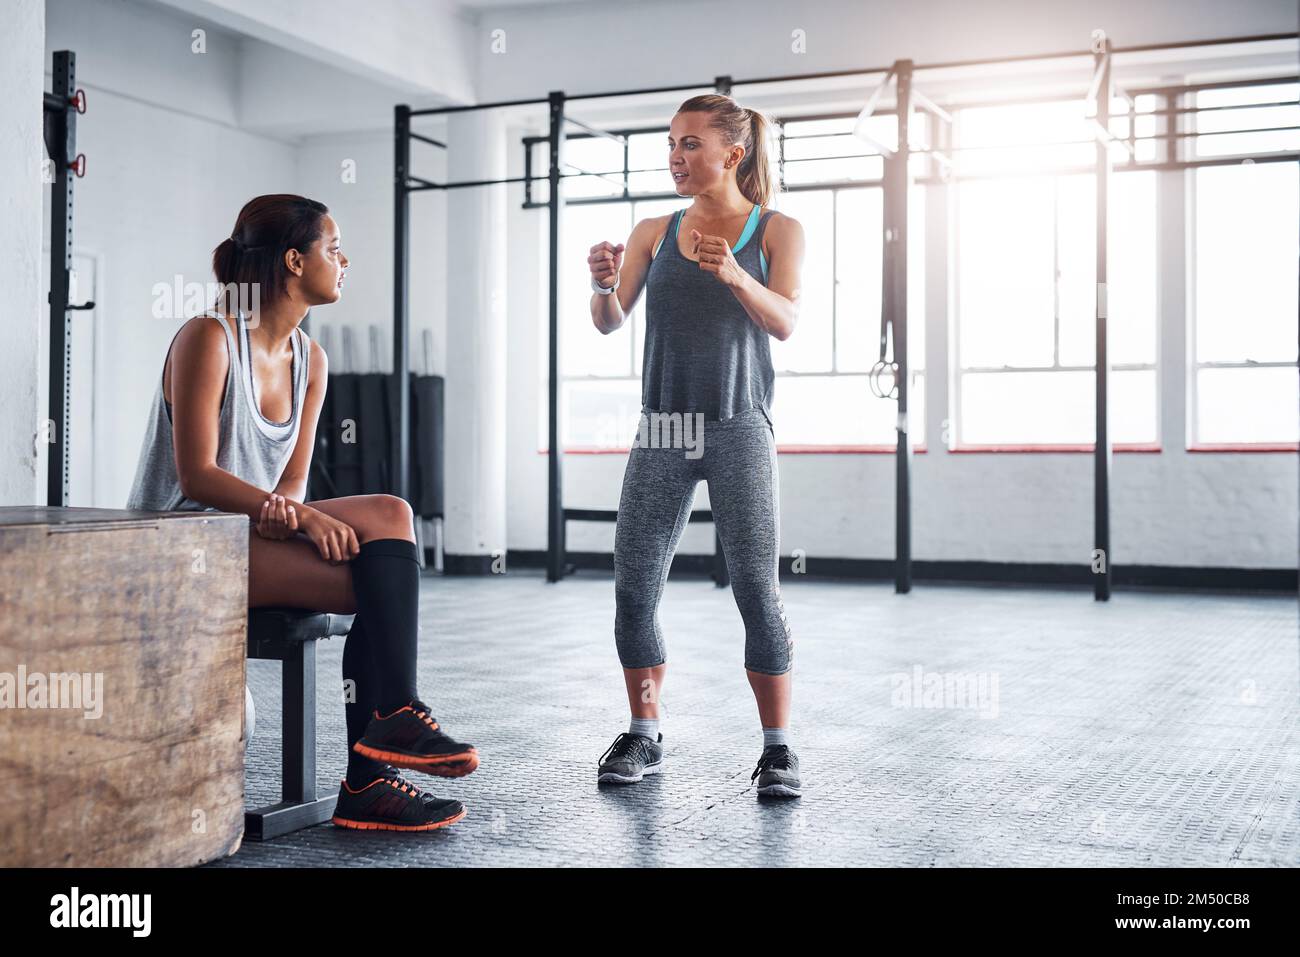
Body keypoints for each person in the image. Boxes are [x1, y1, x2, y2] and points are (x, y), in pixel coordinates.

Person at [126, 193, 478, 831]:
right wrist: (304, 520)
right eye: (333, 249)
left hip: (248, 535)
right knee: (379, 584)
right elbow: (197, 473)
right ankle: (371, 777)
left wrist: (288, 512)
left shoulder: (310, 359)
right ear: (294, 260)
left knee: (391, 515)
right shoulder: (209, 337)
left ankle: (393, 719)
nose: (345, 261)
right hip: (181, 545)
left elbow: (289, 481)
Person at [587, 96, 807, 798]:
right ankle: (644, 733)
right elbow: (609, 320)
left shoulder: (777, 229)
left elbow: (786, 322)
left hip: (738, 422)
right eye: (671, 146)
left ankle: (778, 749)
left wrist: (736, 274)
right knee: (633, 586)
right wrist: (599, 286)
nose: (675, 158)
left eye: (689, 145)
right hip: (664, 426)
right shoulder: (655, 229)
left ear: (732, 154)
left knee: (754, 587)